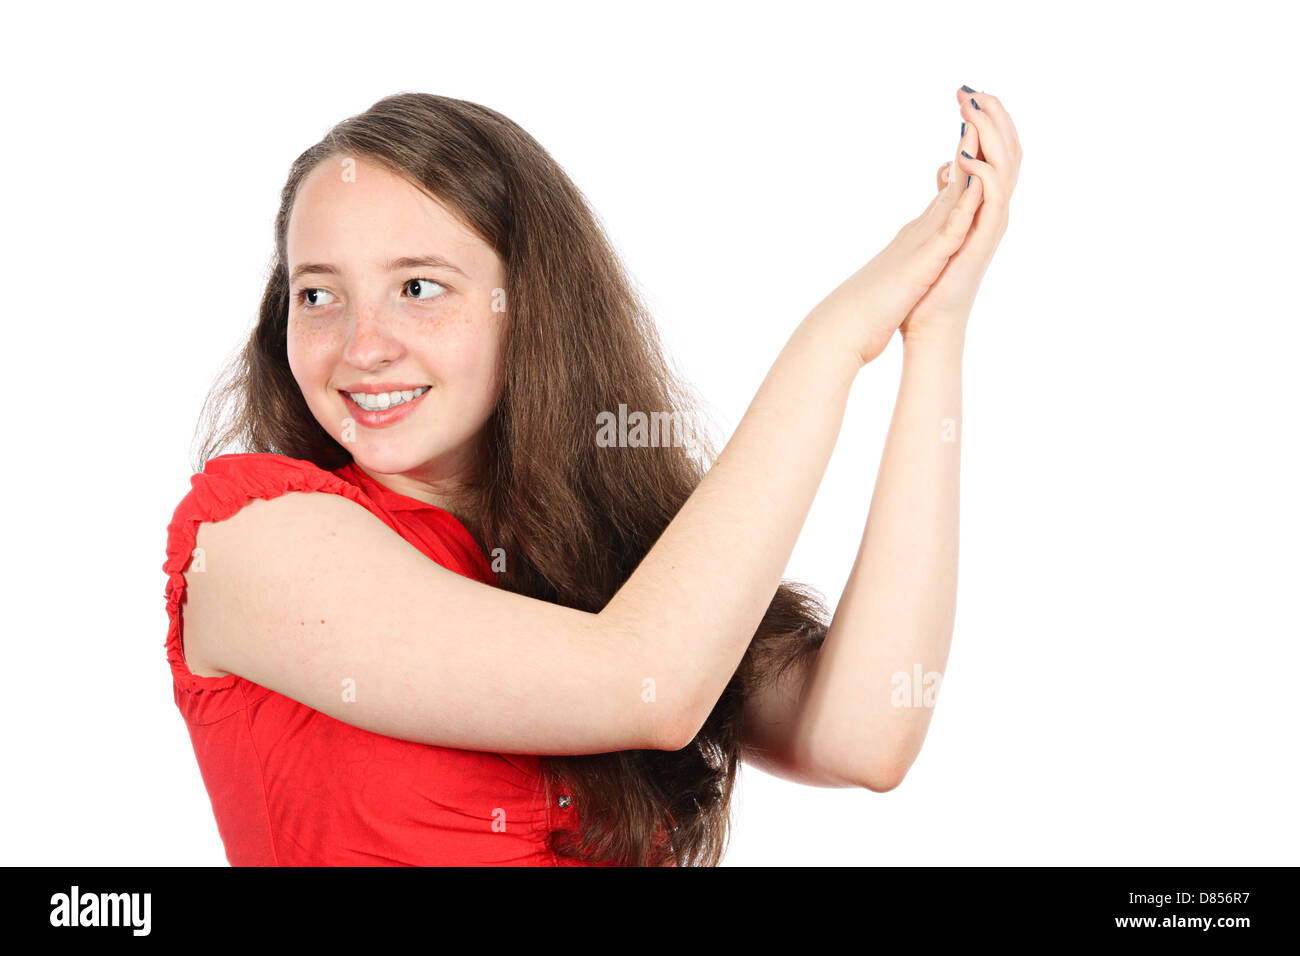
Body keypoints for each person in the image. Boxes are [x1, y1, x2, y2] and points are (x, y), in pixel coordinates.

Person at [163, 89, 1021, 866]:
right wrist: (834, 339)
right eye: (318, 296)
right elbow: (648, 683)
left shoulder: (610, 563)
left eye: (418, 287)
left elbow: (864, 736)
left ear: (531, 309)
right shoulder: (249, 540)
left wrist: (932, 333)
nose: (362, 345)